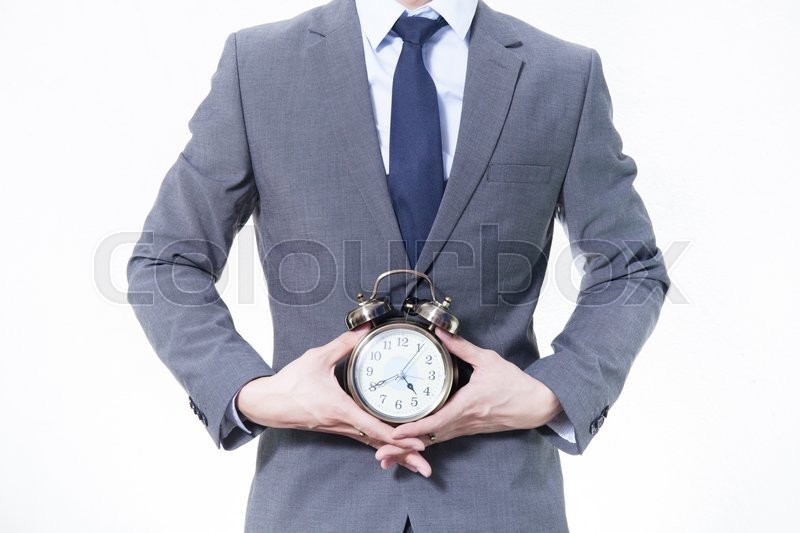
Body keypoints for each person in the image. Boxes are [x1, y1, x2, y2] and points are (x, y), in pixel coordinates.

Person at [127, 0, 669, 531]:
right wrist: (251, 393)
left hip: (500, 502)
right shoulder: (259, 63)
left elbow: (630, 269)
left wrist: (552, 391)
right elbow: (167, 261)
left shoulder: (562, 75)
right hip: (311, 503)